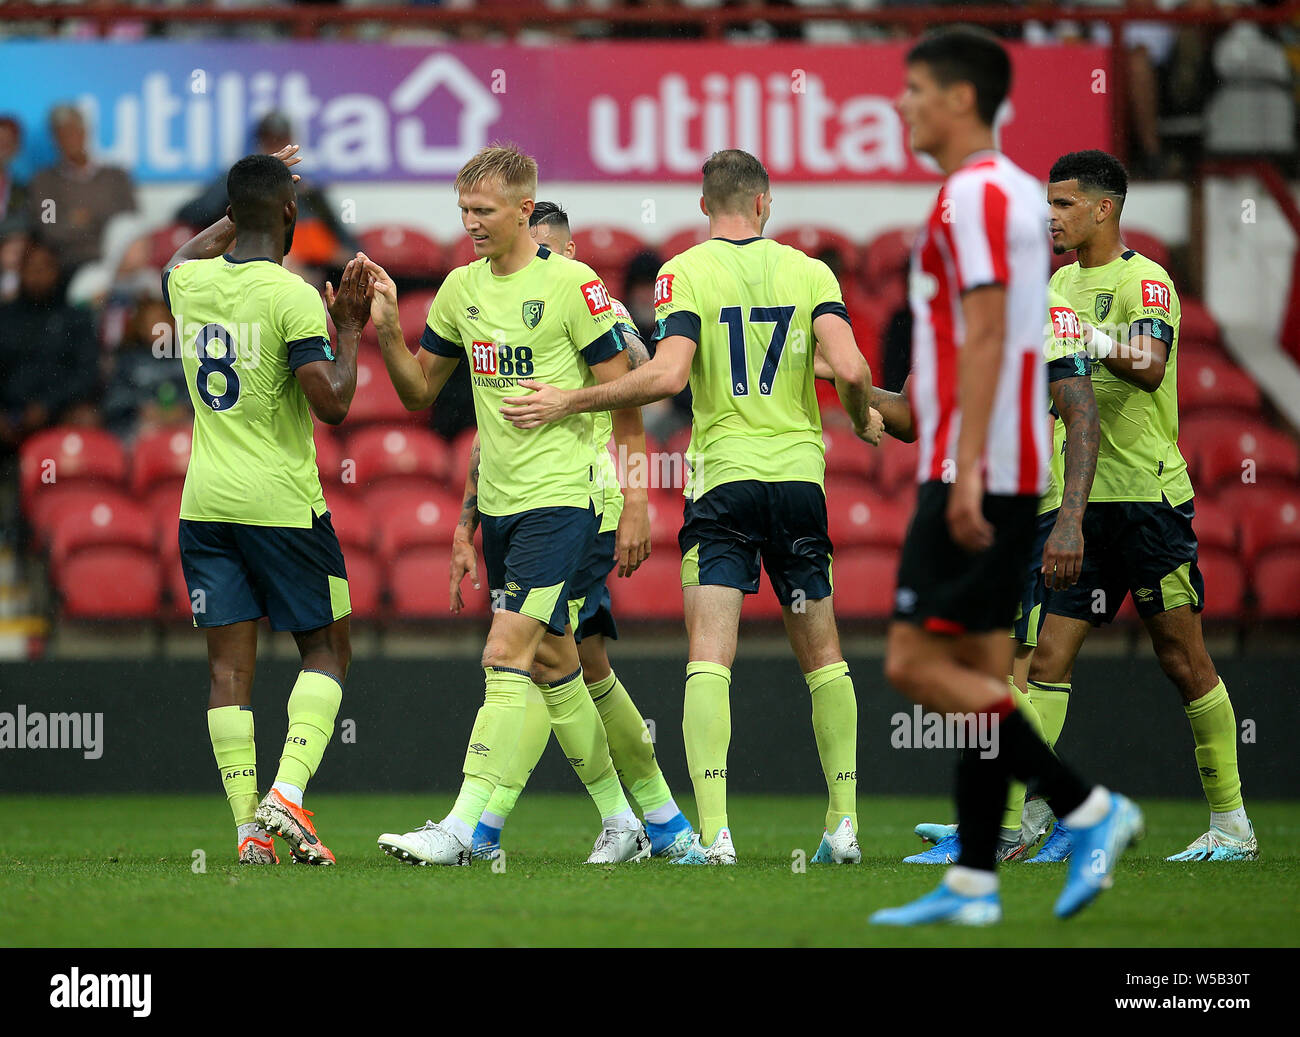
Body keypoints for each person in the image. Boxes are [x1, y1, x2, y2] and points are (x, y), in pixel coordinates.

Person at [500, 148, 884, 866]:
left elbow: (669, 374)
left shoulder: (684, 272)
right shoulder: (811, 272)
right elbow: (855, 369)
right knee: (825, 658)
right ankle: (844, 824)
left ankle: (715, 834)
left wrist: (574, 397)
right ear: (764, 202)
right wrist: (860, 417)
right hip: (800, 483)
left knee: (711, 656)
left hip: (723, 484)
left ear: (706, 205)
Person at [871, 28, 1140, 925]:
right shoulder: (1014, 196)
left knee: (912, 660)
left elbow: (988, 335)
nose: (902, 104)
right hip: (1006, 462)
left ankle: (1090, 809)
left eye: (914, 89)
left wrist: (966, 470)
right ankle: (976, 879)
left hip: (977, 463)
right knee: (988, 669)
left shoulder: (977, 196)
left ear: (958, 98)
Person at [369, 145, 653, 866]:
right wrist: (382, 331)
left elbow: (630, 392)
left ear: (525, 210)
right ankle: (626, 820)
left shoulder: (574, 287)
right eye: (463, 210)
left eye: (484, 211)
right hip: (501, 505)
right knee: (557, 662)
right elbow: (418, 391)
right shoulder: (461, 289)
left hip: (563, 501)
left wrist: (638, 499)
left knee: (505, 652)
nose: (471, 224)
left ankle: (462, 829)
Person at [1027, 148, 1256, 862]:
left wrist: (1085, 335)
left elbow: (1151, 367)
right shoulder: (1058, 281)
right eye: (1050, 203)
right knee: (1045, 660)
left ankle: (1231, 824)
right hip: (1083, 506)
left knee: (1182, 660)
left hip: (1150, 504)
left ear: (1105, 207)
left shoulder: (1144, 279)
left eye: (1065, 204)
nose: (1052, 216)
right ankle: (1033, 817)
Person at [451, 201, 694, 861]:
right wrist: (465, 521)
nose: (542, 263)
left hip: (583, 509)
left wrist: (638, 500)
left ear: (573, 250)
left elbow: (641, 380)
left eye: (553, 251)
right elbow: (496, 430)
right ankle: (660, 821)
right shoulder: (507, 311)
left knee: (540, 659)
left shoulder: (593, 308)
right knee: (569, 661)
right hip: (527, 504)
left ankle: (485, 827)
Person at [162, 146, 371, 866]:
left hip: (205, 503)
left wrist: (244, 205)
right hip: (280, 505)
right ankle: (285, 794)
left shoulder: (187, 284)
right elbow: (333, 402)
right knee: (328, 650)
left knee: (229, 670)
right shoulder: (291, 295)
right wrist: (346, 326)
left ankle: (247, 831)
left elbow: (178, 258)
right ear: (290, 213)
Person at [895, 286, 1101, 865]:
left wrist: (1071, 521)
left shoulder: (1046, 313)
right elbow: (913, 413)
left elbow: (1083, 417)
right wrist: (851, 391)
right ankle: (1034, 818)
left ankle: (1033, 821)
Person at [0, 241, 99, 452]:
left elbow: (87, 373)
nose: (38, 275)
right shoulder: (5, 318)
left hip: (61, 410)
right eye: (32, 269)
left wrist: (48, 405)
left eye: (45, 268)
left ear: (57, 271)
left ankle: (76, 483)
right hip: (10, 413)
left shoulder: (76, 318)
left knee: (86, 418)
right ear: (20, 271)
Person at [27, 104, 135, 274]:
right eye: (62, 134)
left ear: (85, 132)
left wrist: (82, 219)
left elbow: (130, 220)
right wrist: (96, 221)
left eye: (74, 131)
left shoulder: (116, 177)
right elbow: (50, 228)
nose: (69, 139)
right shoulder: (45, 182)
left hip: (116, 261)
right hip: (70, 264)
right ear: (54, 139)